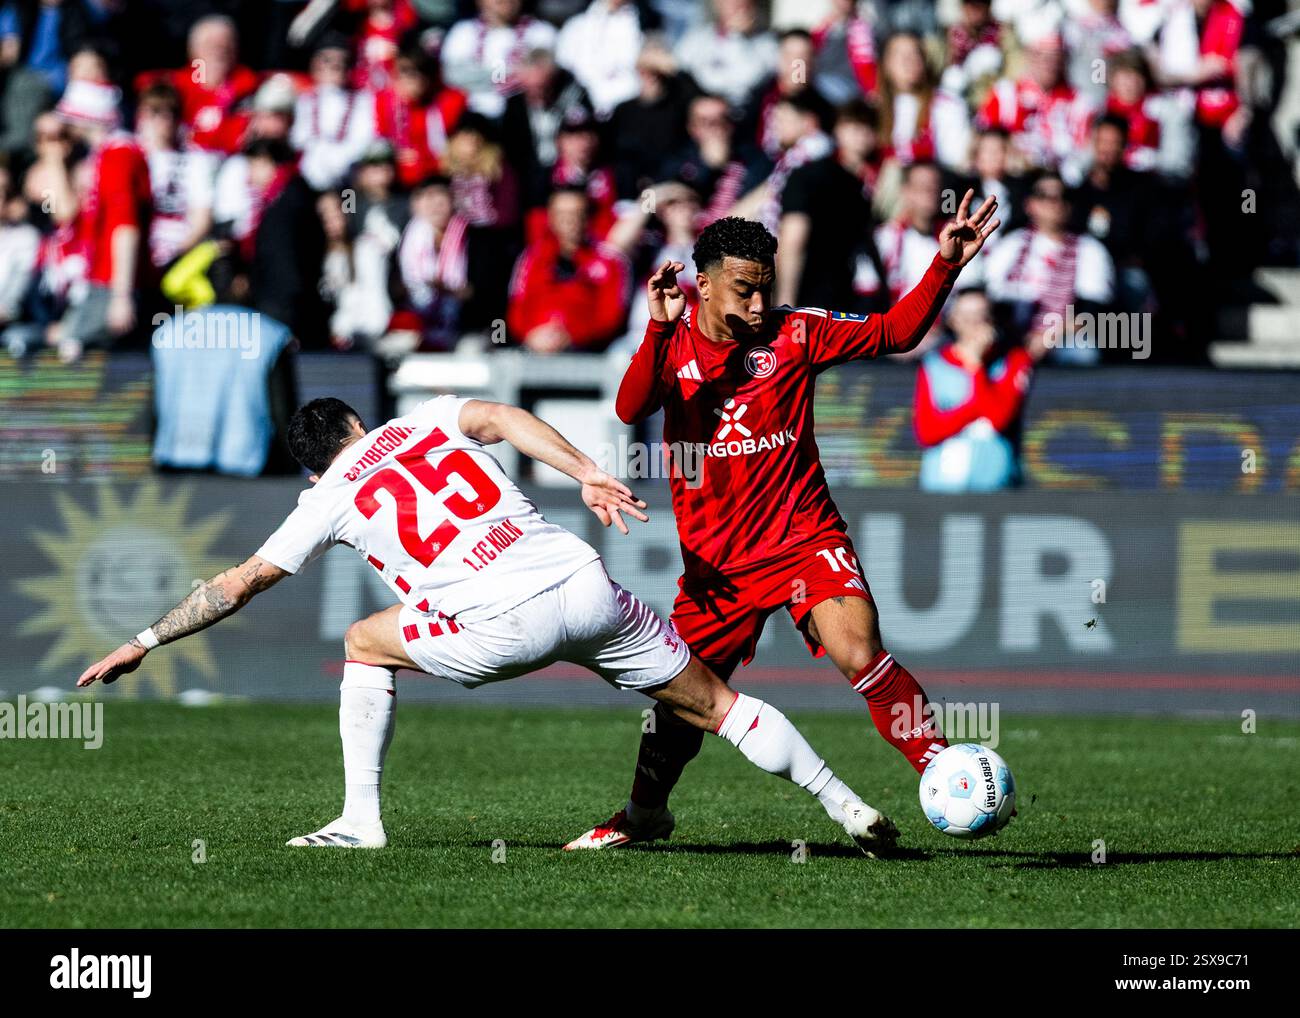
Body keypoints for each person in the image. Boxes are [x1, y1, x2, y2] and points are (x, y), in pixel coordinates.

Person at [77, 396, 899, 855]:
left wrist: (143, 641)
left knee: (365, 641)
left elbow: (242, 583)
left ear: (314, 459)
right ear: (360, 425)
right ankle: (846, 805)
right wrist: (587, 472)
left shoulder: (323, 496)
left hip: (496, 626)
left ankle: (361, 821)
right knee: (716, 702)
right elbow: (504, 417)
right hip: (581, 582)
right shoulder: (426, 420)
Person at [566, 191, 999, 850]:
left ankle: (943, 765)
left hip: (805, 539)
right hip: (719, 569)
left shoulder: (796, 331)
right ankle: (643, 813)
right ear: (702, 285)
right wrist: (656, 328)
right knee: (682, 705)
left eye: (764, 289)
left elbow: (894, 332)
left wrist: (944, 267)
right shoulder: (671, 345)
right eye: (743, 290)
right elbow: (630, 408)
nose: (758, 305)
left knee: (860, 653)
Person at [913, 287, 1041, 492]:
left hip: (995, 485)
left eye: (981, 315)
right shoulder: (933, 364)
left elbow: (999, 418)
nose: (973, 323)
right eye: (966, 316)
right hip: (940, 485)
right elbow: (927, 432)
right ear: (953, 321)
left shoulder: (1014, 361)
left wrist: (975, 366)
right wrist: (974, 410)